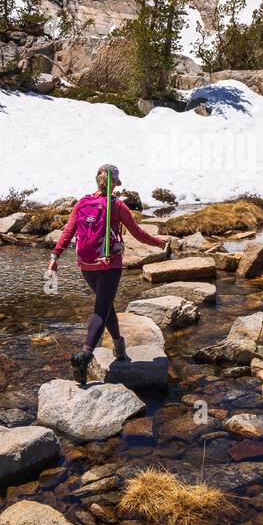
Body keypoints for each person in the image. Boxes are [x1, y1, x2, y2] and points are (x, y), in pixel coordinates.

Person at [48, 164, 168, 384]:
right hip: (109, 264)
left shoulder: (82, 203)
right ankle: (85, 354)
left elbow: (68, 230)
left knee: (106, 303)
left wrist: (54, 257)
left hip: (87, 264)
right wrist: (159, 242)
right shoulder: (118, 206)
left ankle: (118, 344)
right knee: (101, 310)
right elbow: (138, 234)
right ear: (115, 184)